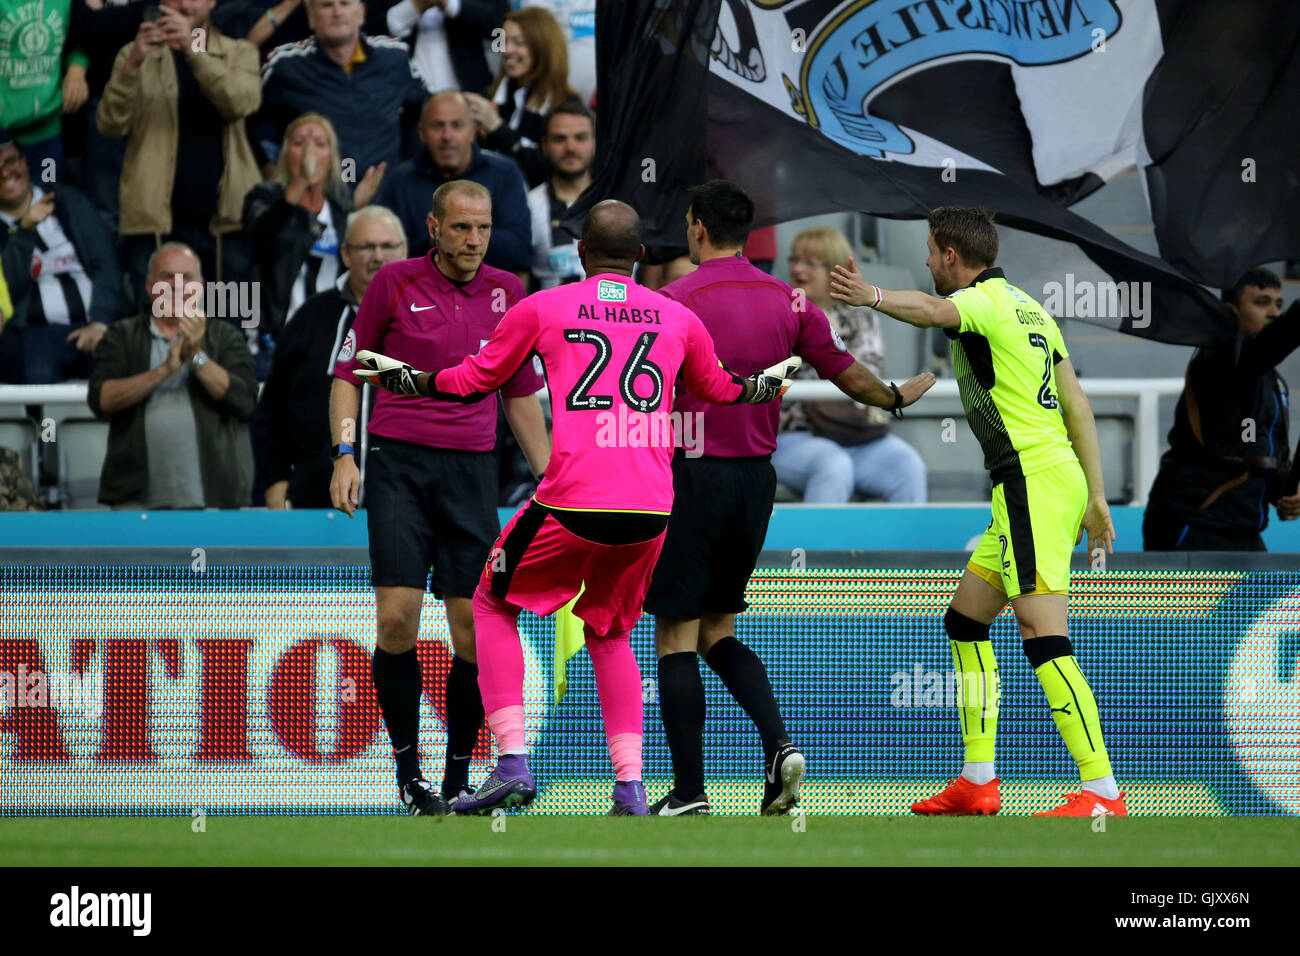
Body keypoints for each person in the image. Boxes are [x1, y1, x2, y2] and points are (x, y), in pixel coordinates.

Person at [353, 199, 797, 816]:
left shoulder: (542, 307)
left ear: (581, 254)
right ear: (641, 258)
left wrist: (407, 379)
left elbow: (472, 381)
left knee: (489, 599)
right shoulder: (675, 316)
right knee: (611, 631)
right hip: (650, 507)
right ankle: (632, 788)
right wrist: (767, 384)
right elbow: (722, 390)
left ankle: (510, 763)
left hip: (575, 499)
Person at [644, 180, 935, 817]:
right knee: (717, 629)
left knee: (675, 635)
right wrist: (891, 397)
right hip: (756, 481)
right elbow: (842, 371)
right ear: (745, 233)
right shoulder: (791, 300)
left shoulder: (671, 300)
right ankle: (779, 747)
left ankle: (689, 793)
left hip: (690, 476)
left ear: (696, 227)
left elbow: (643, 389)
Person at [830, 205, 1124, 817]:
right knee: (966, 621)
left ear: (951, 256)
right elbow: (1079, 407)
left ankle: (1101, 789)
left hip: (1030, 482)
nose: (927, 262)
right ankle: (978, 780)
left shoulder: (983, 302)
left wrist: (871, 295)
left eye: (931, 253)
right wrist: (1095, 496)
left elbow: (936, 310)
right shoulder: (1033, 310)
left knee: (1043, 635)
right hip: (1049, 479)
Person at [329, 179, 550, 815]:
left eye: (482, 228)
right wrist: (345, 454)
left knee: (472, 635)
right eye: (460, 228)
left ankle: (457, 777)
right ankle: (409, 773)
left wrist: (550, 475)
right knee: (397, 616)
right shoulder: (392, 283)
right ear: (433, 227)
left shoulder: (511, 291)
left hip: (472, 474)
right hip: (397, 466)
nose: (474, 240)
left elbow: (518, 393)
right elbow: (349, 374)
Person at [97, 0, 260, 304]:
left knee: (230, 329)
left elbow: (241, 102)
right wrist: (131, 66)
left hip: (227, 225)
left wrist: (192, 50)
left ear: (212, 2)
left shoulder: (241, 52)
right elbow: (109, 124)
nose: (184, 3)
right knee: (158, 333)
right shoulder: (134, 54)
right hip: (155, 225)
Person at [256, 206, 407, 510]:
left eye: (388, 246)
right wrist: (275, 479)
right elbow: (271, 410)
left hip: (408, 508)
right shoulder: (310, 318)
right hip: (315, 503)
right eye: (366, 246)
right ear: (346, 254)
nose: (378, 256)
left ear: (405, 251)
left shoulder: (431, 320)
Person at [87, 242, 258, 509]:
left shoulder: (225, 336)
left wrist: (196, 359)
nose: (177, 286)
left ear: (200, 287)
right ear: (148, 286)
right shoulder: (121, 335)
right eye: (167, 277)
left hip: (213, 500)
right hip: (134, 501)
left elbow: (244, 400)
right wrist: (164, 370)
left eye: (186, 278)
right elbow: (101, 399)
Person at [1143, 268, 1300, 550]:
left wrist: (1286, 491)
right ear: (1232, 311)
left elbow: (1257, 443)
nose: (1274, 313)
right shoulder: (1218, 356)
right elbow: (1275, 342)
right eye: (1262, 302)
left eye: (1279, 304)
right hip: (1192, 523)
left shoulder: (1274, 381)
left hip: (1243, 528)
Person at [777, 227, 928, 502]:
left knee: (908, 466)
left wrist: (833, 340)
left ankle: (905, 547)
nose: (799, 269)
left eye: (811, 263)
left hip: (856, 436)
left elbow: (867, 381)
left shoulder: (860, 317)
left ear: (834, 271)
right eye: (794, 260)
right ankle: (818, 547)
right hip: (796, 435)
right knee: (833, 465)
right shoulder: (779, 312)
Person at [243, 113, 385, 350]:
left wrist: (355, 213)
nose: (309, 151)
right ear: (286, 154)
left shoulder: (339, 211)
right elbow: (264, 239)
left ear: (331, 158)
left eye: (319, 144)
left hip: (330, 337)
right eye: (299, 144)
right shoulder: (264, 198)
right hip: (277, 337)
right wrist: (299, 182)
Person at [258, 0, 431, 184]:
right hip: (315, 202)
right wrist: (271, 172)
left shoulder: (395, 57)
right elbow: (248, 126)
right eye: (327, 5)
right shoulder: (285, 65)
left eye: (345, 4)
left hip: (386, 201)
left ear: (361, 13)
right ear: (311, 17)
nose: (337, 13)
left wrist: (407, 168)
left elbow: (426, 112)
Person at [0, 133, 122, 384]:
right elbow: (7, 290)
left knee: (119, 369)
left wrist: (100, 321)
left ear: (24, 161)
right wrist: (25, 231)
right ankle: (45, 427)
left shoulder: (68, 201)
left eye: (10, 161)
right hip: (34, 334)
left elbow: (107, 265)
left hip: (94, 324)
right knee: (39, 376)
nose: (4, 172)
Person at [372, 91, 531, 270]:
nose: (447, 136)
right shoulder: (399, 182)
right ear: (421, 133)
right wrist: (432, 241)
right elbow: (388, 259)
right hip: (418, 294)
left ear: (473, 131)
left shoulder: (504, 173)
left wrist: (456, 233)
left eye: (457, 125)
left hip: (488, 294)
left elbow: (521, 253)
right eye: (438, 126)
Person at [463, 6, 576, 189]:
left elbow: (546, 170)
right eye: (504, 41)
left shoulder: (565, 106)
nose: (507, 50)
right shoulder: (490, 97)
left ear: (542, 46)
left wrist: (497, 128)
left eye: (518, 42)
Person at [0, 0, 87, 177]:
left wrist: (77, 67)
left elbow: (79, 38)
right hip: (3, 137)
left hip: (48, 136)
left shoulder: (65, 3)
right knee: (10, 202)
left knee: (49, 197)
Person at [526, 101, 592, 289]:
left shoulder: (620, 203)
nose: (570, 147)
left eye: (580, 138)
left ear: (595, 142)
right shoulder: (529, 206)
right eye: (560, 139)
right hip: (551, 317)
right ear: (545, 146)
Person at [385, 0, 508, 93]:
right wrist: (414, 6)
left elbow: (501, 26)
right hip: (405, 95)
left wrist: (450, 4)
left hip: (467, 94)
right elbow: (372, 28)